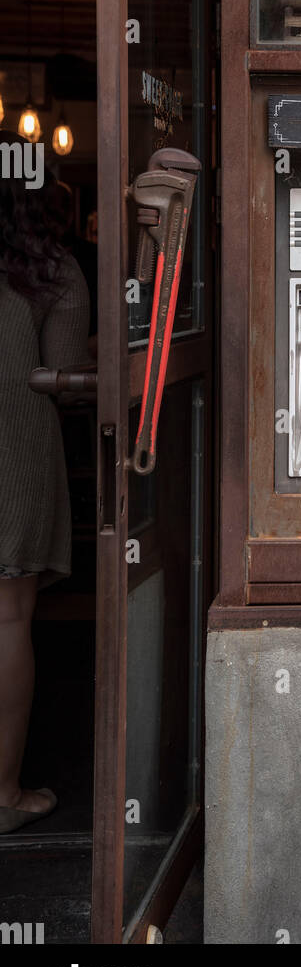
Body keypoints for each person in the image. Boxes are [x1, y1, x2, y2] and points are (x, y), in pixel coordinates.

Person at [0, 131, 90, 833]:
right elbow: (64, 378)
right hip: (16, 450)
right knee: (9, 622)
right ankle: (3, 795)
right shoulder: (53, 270)